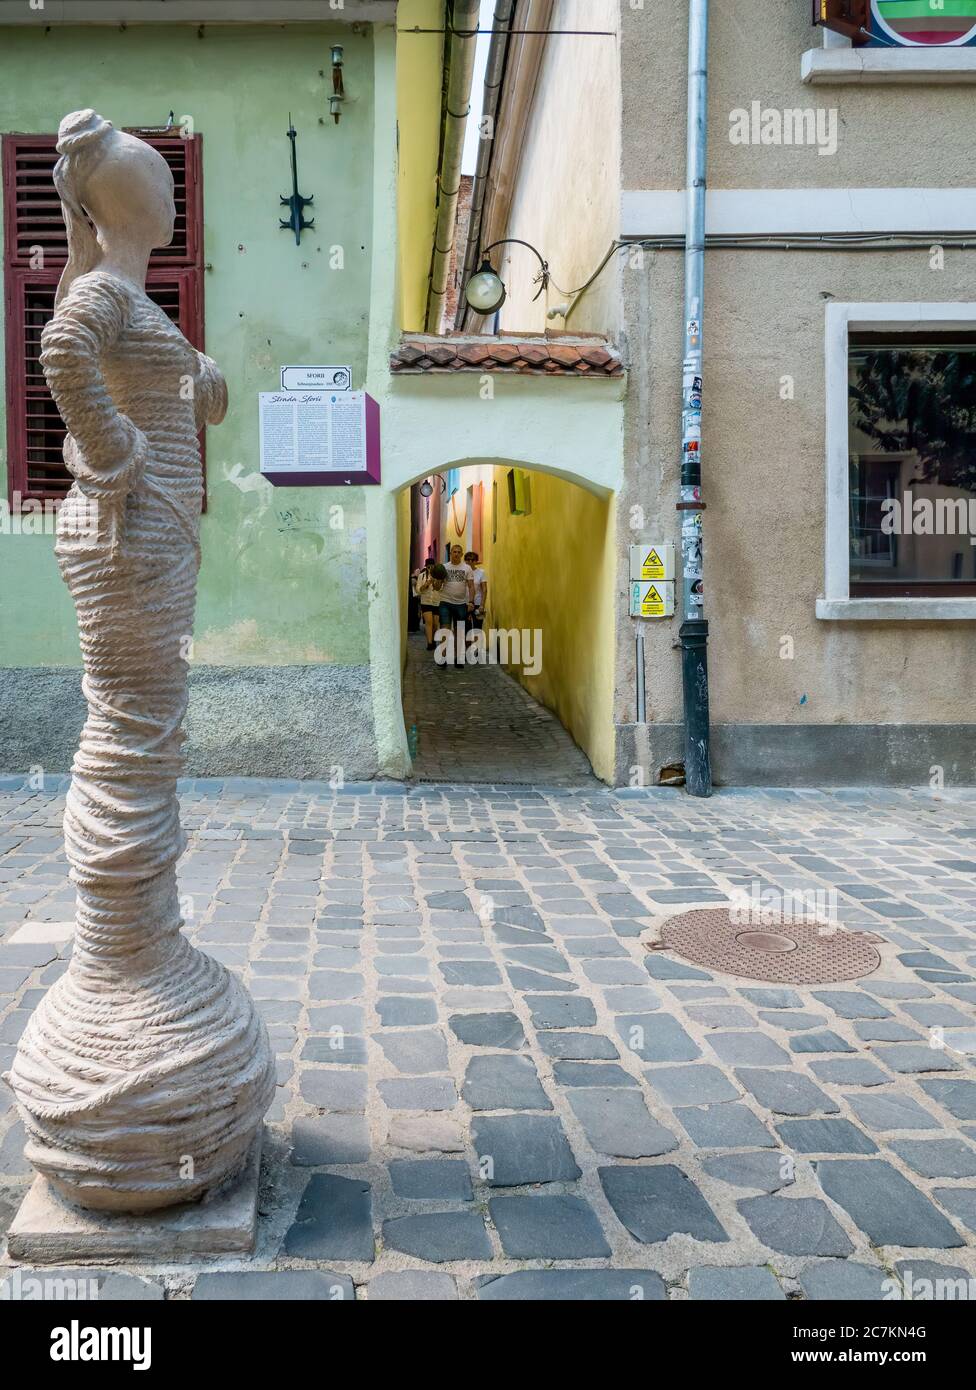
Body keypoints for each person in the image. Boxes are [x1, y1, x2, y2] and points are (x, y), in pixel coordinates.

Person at [438, 544, 474, 663]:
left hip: (461, 604)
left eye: (459, 552)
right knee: (445, 630)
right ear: (451, 553)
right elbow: (438, 586)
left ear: (462, 554)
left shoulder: (467, 568)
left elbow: (471, 586)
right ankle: (442, 656)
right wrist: (435, 581)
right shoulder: (444, 568)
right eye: (454, 552)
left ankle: (458, 657)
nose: (456, 554)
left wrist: (471, 602)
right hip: (445, 602)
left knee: (459, 631)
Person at [416, 561, 446, 650]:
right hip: (426, 602)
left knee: (435, 624)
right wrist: (427, 584)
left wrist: (435, 582)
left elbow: (441, 589)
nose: (430, 568)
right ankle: (429, 643)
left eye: (432, 566)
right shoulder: (422, 576)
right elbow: (418, 590)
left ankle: (433, 640)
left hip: (437, 602)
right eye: (428, 567)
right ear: (426, 567)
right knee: (429, 622)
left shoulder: (439, 576)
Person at [465, 551, 488, 630]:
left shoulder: (481, 572)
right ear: (465, 561)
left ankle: (477, 643)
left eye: (473, 560)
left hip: (477, 603)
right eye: (468, 560)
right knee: (465, 628)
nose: (470, 562)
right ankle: (467, 642)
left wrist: (482, 605)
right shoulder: (463, 572)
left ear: (476, 561)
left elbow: (484, 589)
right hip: (465, 604)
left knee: (477, 628)